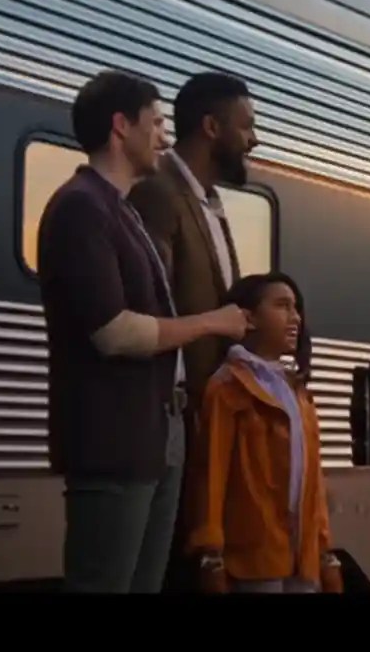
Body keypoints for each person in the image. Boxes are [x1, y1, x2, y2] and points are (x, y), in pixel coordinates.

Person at [36, 69, 248, 593]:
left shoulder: (121, 211)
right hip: (114, 436)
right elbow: (113, 332)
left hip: (155, 433)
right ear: (120, 127)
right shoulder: (81, 208)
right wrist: (212, 323)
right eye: (155, 124)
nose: (164, 136)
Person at [126, 70, 259, 591]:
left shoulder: (208, 201)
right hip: (175, 421)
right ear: (210, 126)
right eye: (246, 126)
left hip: (208, 419)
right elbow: (151, 305)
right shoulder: (159, 194)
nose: (255, 139)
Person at [183, 272, 344, 594]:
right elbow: (210, 476)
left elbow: (313, 482)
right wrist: (211, 553)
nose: (295, 318)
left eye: (296, 308)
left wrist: (325, 551)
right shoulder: (228, 387)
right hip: (253, 560)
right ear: (249, 318)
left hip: (303, 558)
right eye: (282, 306)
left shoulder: (297, 391)